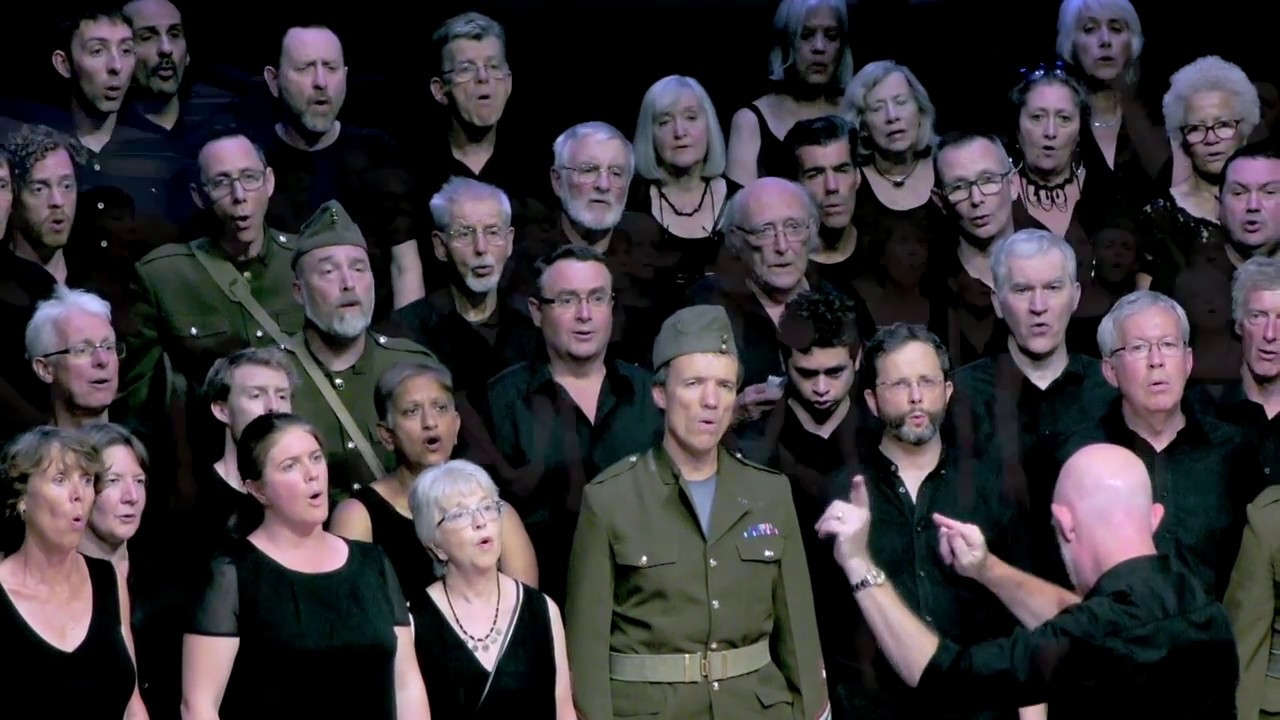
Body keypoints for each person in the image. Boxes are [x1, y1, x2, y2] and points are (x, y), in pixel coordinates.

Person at [816, 443, 1238, 717]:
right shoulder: (1203, 609)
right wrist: (987, 569)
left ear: (1064, 523)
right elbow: (1090, 620)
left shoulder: (1097, 636)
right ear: (1155, 517)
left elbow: (942, 676)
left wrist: (858, 563)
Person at [565, 304, 829, 720]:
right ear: (660, 393)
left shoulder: (769, 493)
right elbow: (587, 650)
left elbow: (798, 627)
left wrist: (813, 710)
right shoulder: (610, 499)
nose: (711, 401)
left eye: (724, 385)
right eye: (693, 383)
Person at [181, 413, 429, 719]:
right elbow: (198, 705)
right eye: (290, 466)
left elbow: (407, 685)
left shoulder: (372, 562)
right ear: (257, 489)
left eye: (315, 458)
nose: (312, 474)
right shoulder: (233, 572)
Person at [330, 361, 539, 608]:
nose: (430, 422)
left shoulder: (496, 513)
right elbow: (351, 613)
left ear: (457, 424)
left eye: (440, 408)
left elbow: (527, 614)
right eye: (412, 411)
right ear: (386, 435)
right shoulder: (358, 516)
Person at [0, 426, 148, 719]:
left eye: (87, 480)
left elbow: (133, 706)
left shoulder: (108, 580)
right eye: (60, 479)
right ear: (22, 498)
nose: (78, 494)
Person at [408, 460, 574, 718]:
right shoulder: (413, 622)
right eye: (459, 514)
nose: (480, 521)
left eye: (487, 507)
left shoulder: (542, 610)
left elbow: (563, 712)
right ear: (436, 546)